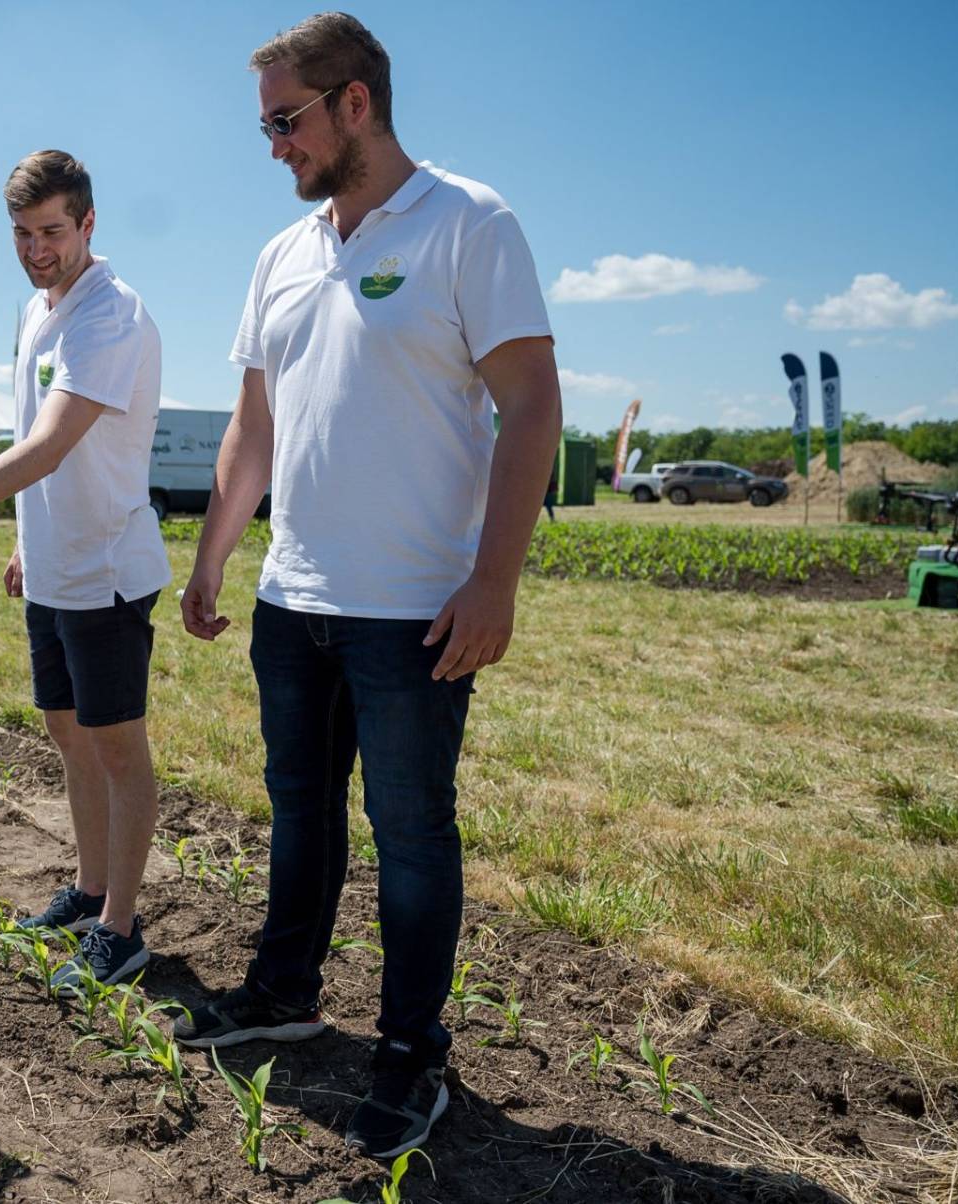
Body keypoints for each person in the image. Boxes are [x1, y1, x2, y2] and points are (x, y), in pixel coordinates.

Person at [173, 13, 561, 1161]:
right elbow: (254, 425)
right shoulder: (280, 256)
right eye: (264, 128)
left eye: (285, 122)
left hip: (414, 612)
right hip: (295, 604)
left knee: (411, 835)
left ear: (356, 104)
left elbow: (532, 406)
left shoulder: (467, 223)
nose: (275, 147)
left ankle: (409, 1048)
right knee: (299, 810)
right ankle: (285, 988)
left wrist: (495, 580)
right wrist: (211, 557)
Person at [0, 150, 168, 990]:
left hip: (106, 568)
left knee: (118, 748)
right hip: (52, 565)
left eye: (52, 230)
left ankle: (121, 929)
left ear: (88, 224)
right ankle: (89, 893)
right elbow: (29, 430)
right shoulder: (37, 310)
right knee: (66, 733)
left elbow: (52, 445)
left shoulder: (107, 315)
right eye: (21, 232)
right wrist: (22, 539)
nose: (36, 247)